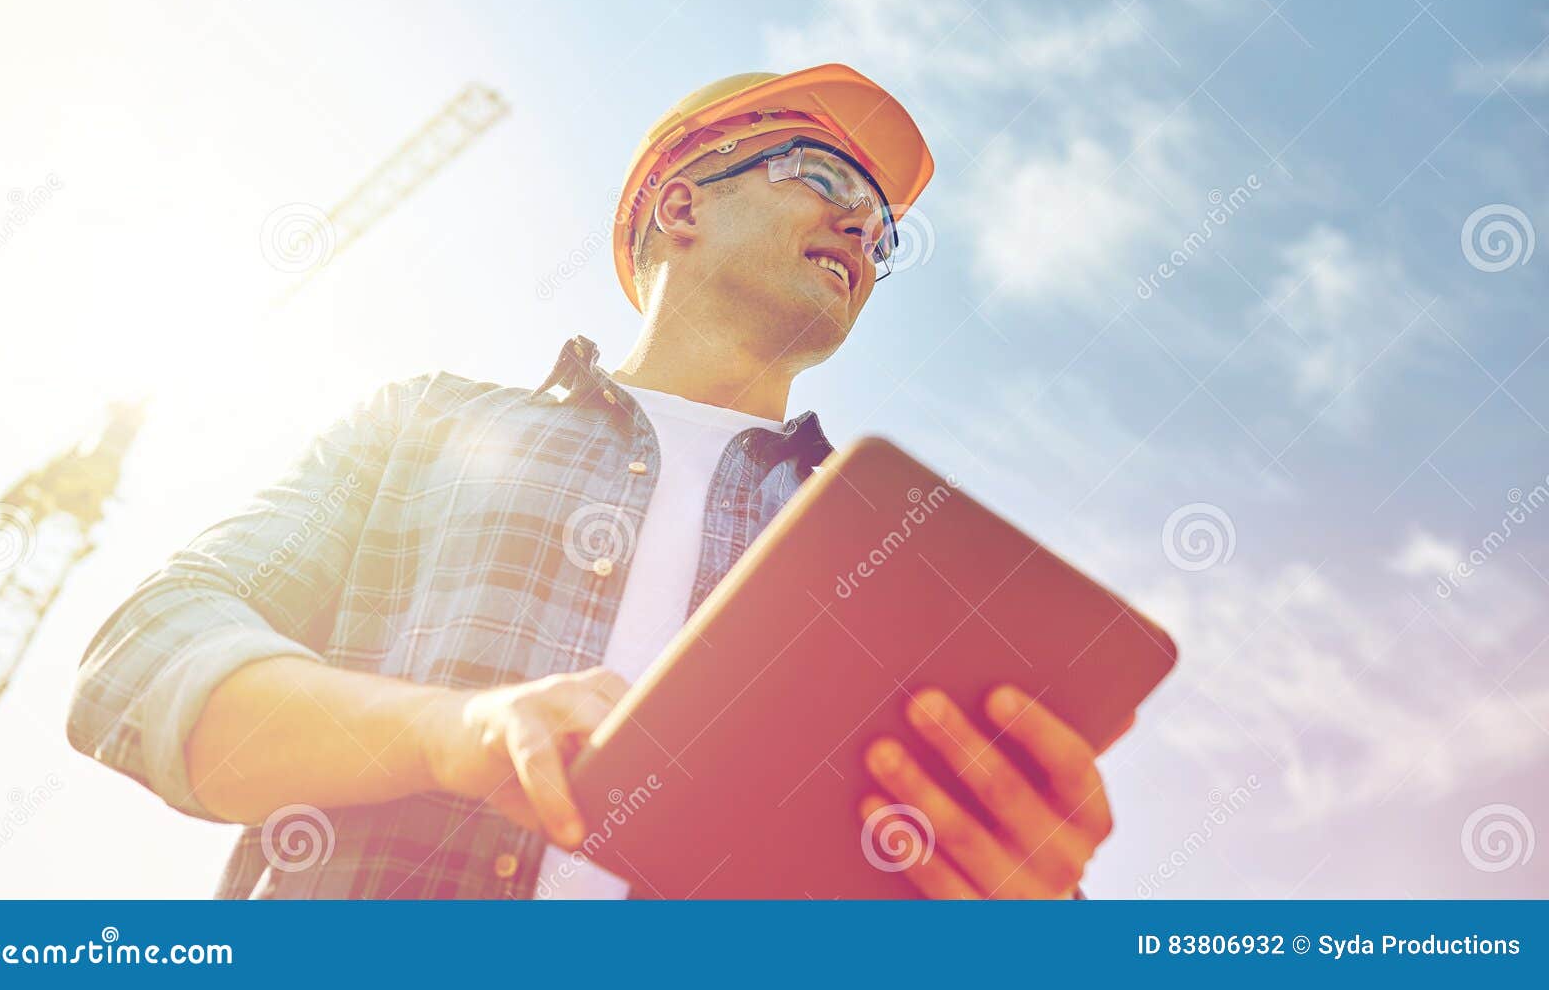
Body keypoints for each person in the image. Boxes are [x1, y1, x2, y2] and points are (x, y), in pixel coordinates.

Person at [67, 63, 1123, 899]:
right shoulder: (427, 423)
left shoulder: (894, 558)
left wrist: (1034, 905)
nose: (865, 225)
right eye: (828, 179)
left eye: (885, 230)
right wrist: (450, 731)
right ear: (680, 205)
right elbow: (144, 658)